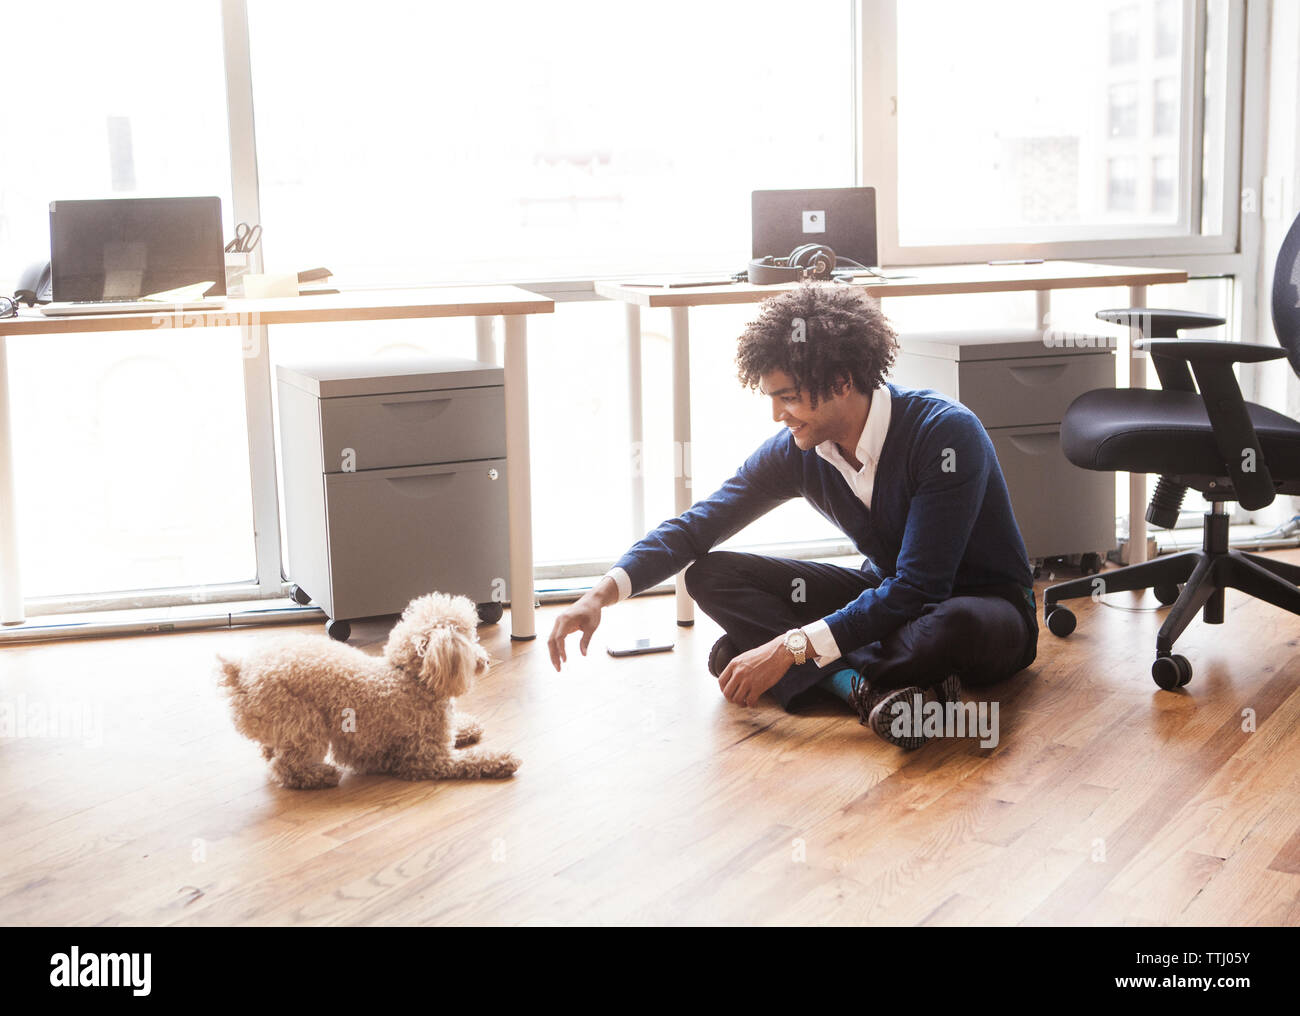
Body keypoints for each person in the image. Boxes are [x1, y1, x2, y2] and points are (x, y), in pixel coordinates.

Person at [547, 282, 1037, 749]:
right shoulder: (797, 449)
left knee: (945, 629)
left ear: (841, 382)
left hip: (978, 608)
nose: (778, 414)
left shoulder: (945, 434)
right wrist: (598, 596)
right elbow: (699, 526)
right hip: (885, 600)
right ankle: (859, 687)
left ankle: (785, 660)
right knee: (712, 575)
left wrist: (784, 648)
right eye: (773, 398)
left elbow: (919, 590)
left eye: (787, 397)